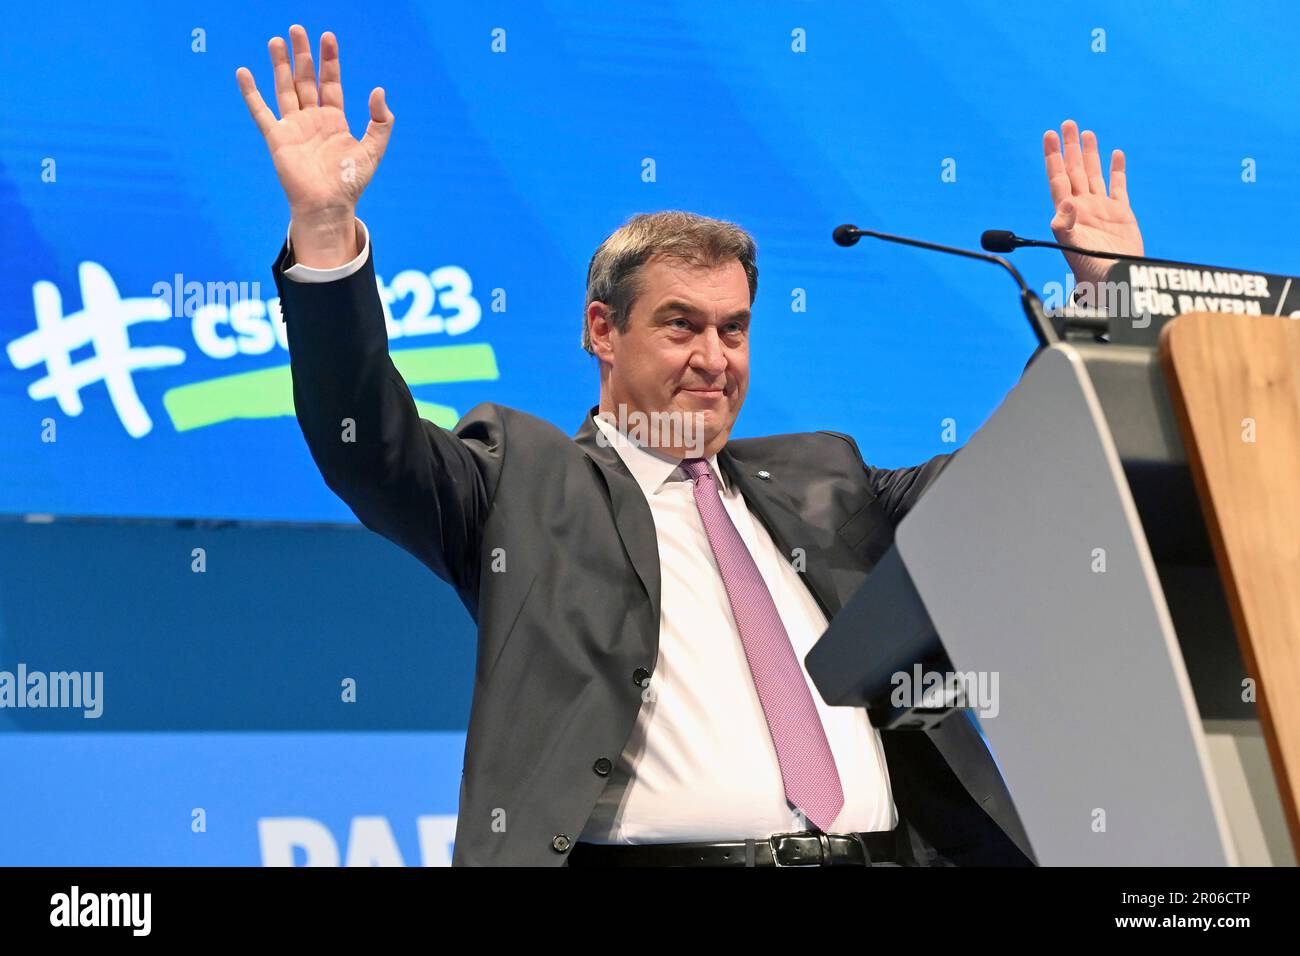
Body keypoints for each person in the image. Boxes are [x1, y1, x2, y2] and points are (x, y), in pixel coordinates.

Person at [236, 25, 1144, 866]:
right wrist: (324, 232)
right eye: (680, 326)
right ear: (602, 329)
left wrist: (1108, 307)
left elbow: (1014, 480)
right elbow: (366, 440)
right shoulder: (525, 484)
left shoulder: (825, 481)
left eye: (735, 330)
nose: (715, 359)